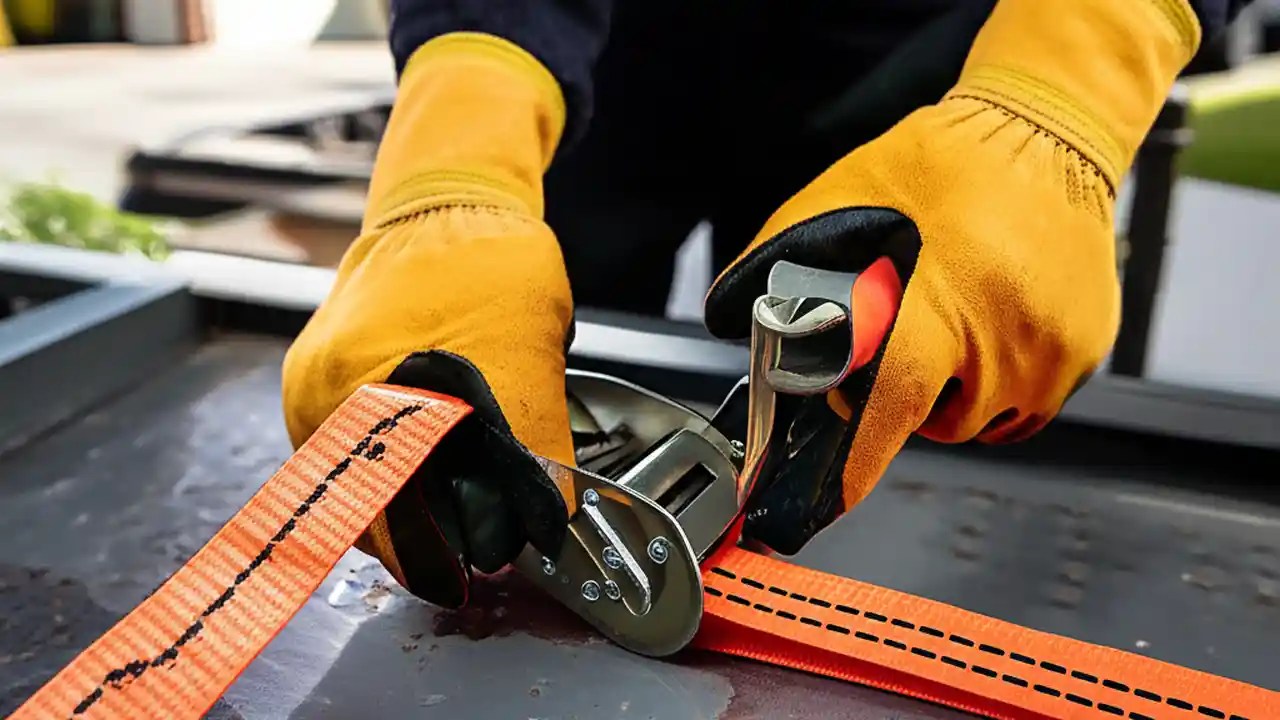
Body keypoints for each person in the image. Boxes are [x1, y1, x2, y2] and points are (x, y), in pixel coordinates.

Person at [281, 0, 1252, 605]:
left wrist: (1060, 91)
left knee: (863, 374)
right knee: (502, 349)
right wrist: (454, 159)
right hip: (599, 62)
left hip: (906, 66)